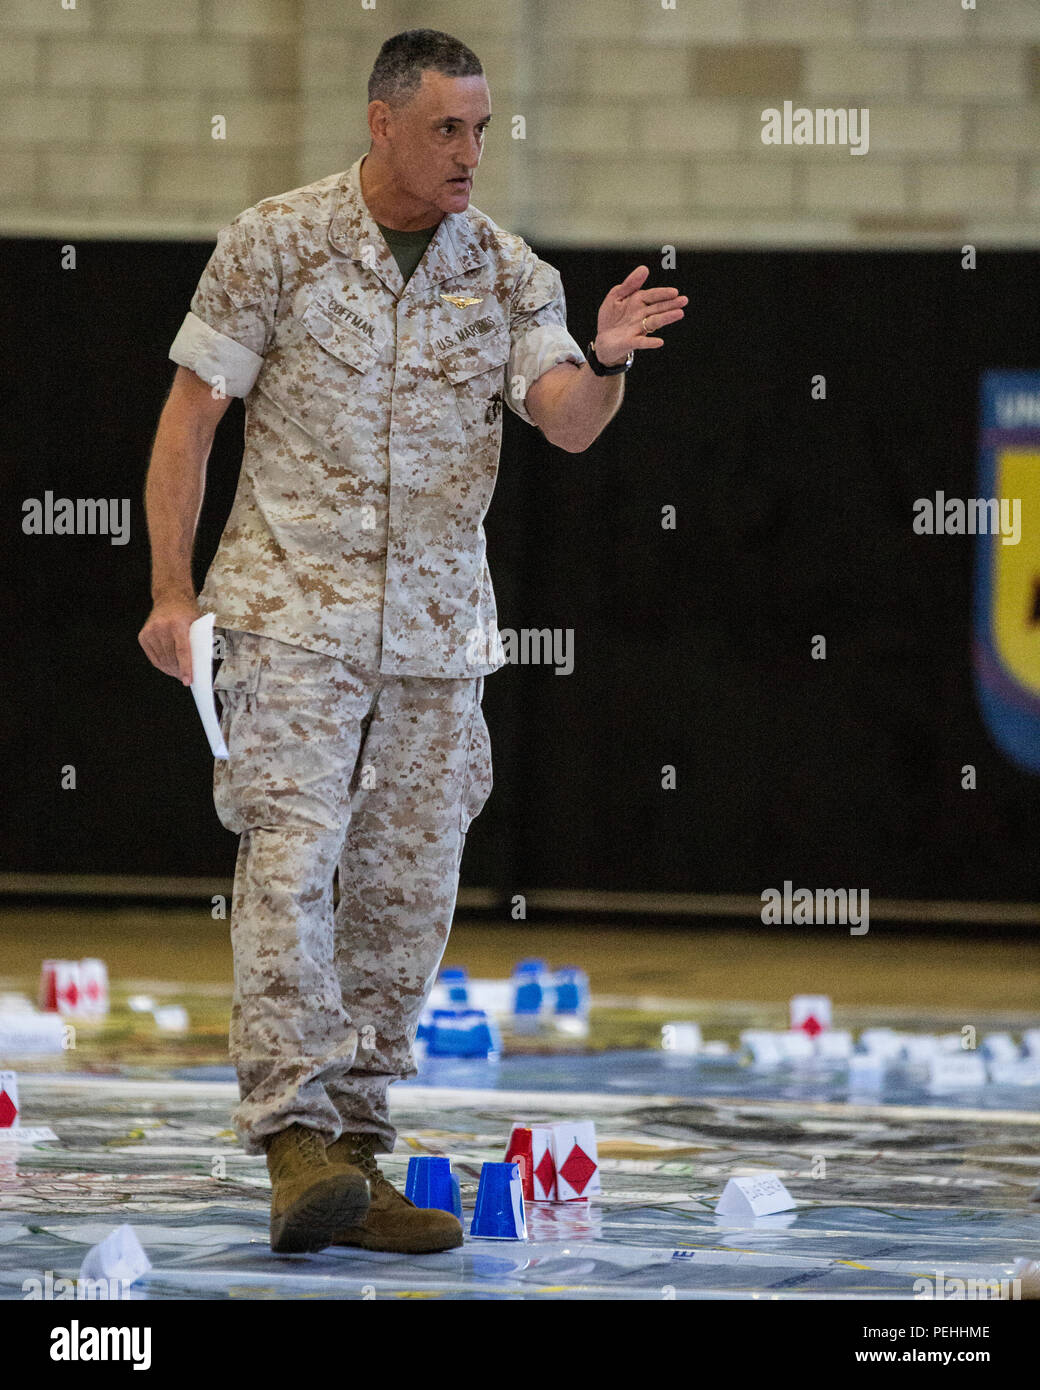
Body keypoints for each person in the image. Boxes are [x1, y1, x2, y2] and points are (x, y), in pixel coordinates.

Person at [137, 28, 686, 1255]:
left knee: (405, 891)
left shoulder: (504, 272)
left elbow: (568, 421)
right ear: (382, 122)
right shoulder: (274, 242)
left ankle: (351, 1152)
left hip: (437, 639)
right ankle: (291, 1137)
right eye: (447, 128)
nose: (470, 154)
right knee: (291, 855)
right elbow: (190, 423)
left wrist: (602, 359)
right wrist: (172, 594)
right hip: (287, 615)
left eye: (483, 130)